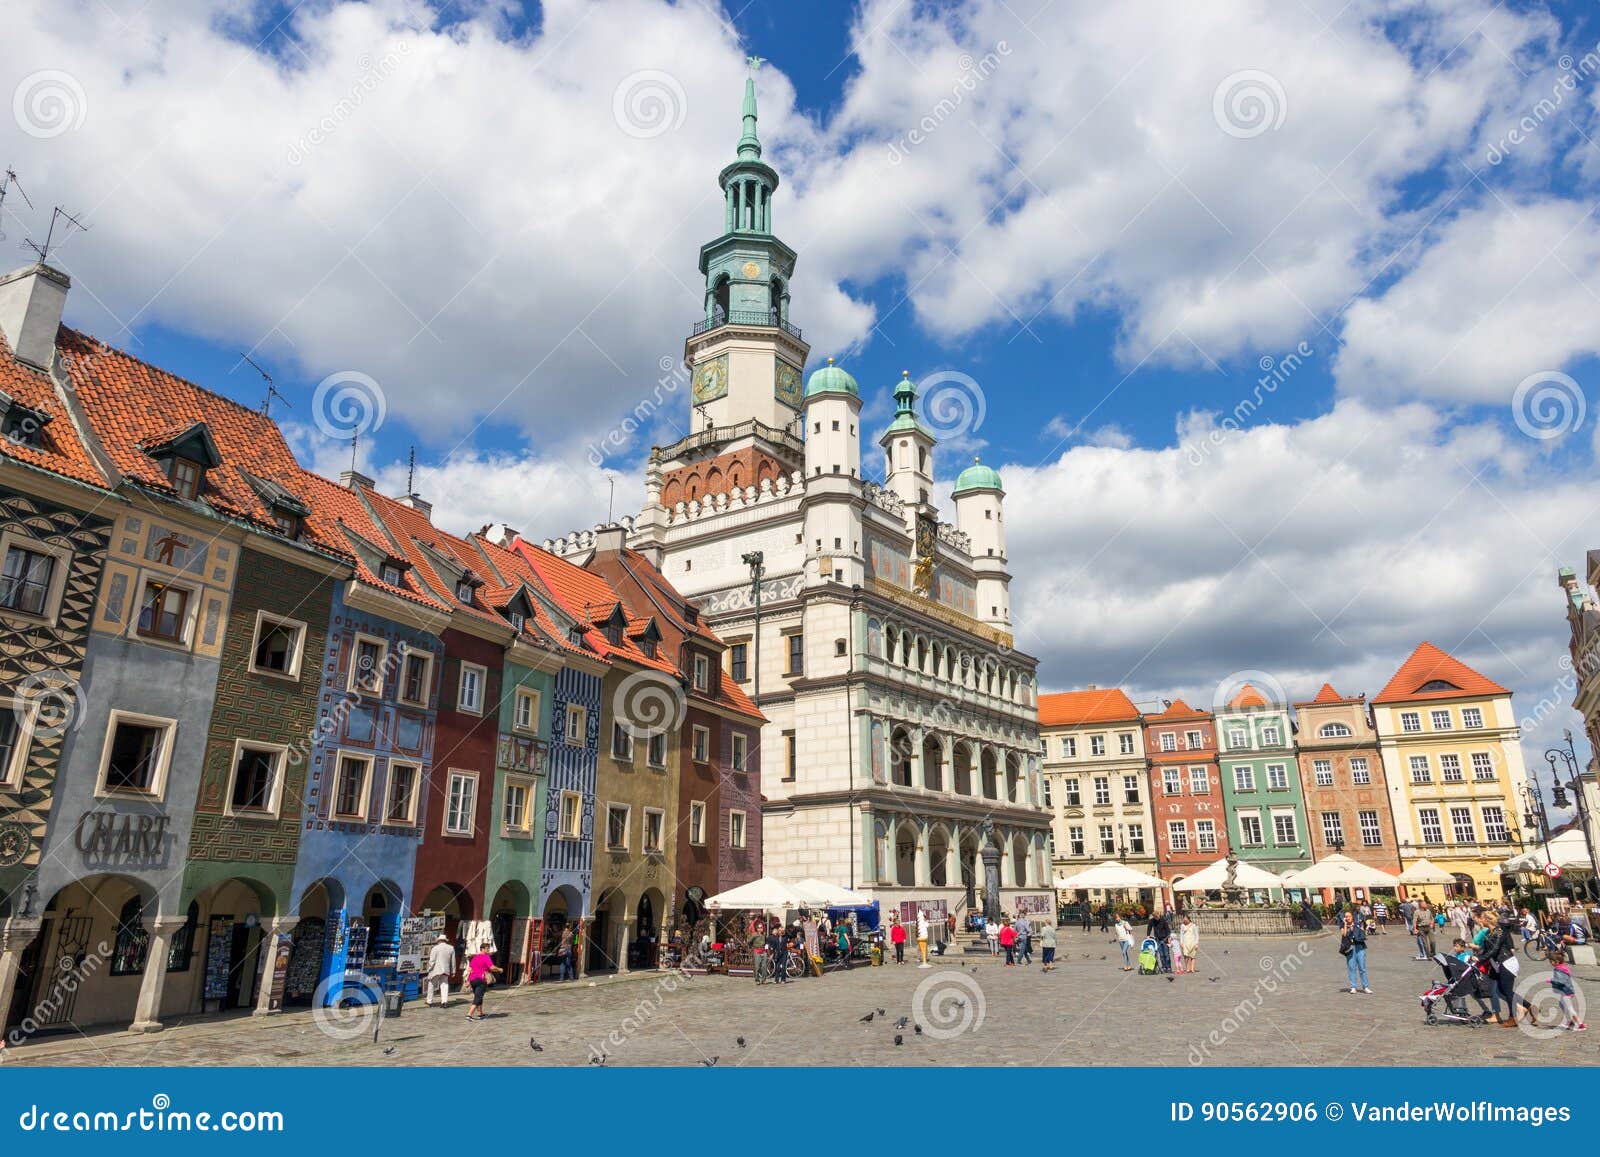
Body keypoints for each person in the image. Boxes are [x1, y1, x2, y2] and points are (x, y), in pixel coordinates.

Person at [1550, 950, 1585, 1031]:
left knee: (1569, 1008)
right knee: (1561, 1005)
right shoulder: (1561, 967)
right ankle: (1570, 1021)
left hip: (1566, 991)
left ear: (1557, 961)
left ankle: (1580, 1024)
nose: (1550, 963)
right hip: (1567, 990)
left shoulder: (1559, 969)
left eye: (1551, 961)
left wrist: (1551, 980)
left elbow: (1561, 981)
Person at [465, 942, 501, 1021]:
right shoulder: (486, 957)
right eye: (487, 948)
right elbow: (492, 968)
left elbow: (469, 970)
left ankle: (480, 1013)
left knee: (478, 996)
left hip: (472, 979)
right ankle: (469, 1014)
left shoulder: (475, 957)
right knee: (478, 997)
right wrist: (499, 969)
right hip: (481, 979)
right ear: (483, 949)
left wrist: (467, 980)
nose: (488, 950)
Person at [1340, 910, 1369, 994]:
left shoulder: (1357, 924)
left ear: (1352, 917)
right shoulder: (1343, 925)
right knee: (1352, 968)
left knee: (1362, 968)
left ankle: (1365, 987)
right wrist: (1346, 925)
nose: (1348, 918)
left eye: (1349, 916)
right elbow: (1344, 934)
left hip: (1359, 947)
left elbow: (1363, 933)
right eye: (1346, 916)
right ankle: (1353, 987)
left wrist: (1358, 928)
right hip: (1350, 948)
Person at [425, 933, 457, 1007]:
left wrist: (429, 969)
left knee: (431, 984)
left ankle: (429, 1001)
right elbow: (453, 961)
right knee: (444, 985)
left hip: (436, 969)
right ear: (445, 941)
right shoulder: (451, 948)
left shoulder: (435, 948)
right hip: (445, 969)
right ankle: (444, 1002)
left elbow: (432, 961)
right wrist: (453, 971)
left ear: (439, 940)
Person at [1148, 908, 1173, 973]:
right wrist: (1148, 935)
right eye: (1155, 917)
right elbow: (1149, 927)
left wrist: (1168, 938)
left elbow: (1168, 930)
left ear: (1159, 915)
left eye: (1157, 917)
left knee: (1166, 954)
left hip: (1164, 938)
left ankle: (1169, 967)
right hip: (1157, 939)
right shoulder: (1152, 921)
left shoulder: (1163, 920)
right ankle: (1164, 967)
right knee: (1161, 954)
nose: (1156, 918)